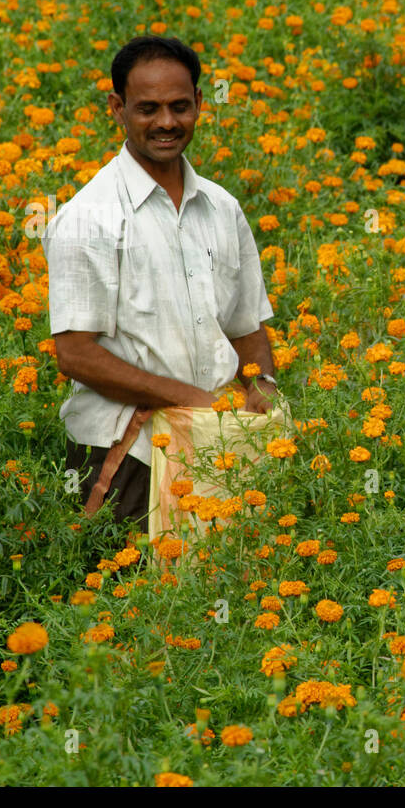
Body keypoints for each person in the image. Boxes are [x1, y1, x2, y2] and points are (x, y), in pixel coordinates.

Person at [44, 36, 278, 531]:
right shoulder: (89, 217)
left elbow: (246, 325)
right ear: (118, 109)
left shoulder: (222, 208)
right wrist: (190, 398)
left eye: (179, 107)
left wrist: (262, 388)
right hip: (127, 455)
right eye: (147, 109)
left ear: (198, 104)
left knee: (230, 585)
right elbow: (76, 354)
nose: (166, 123)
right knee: (133, 598)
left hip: (221, 444)